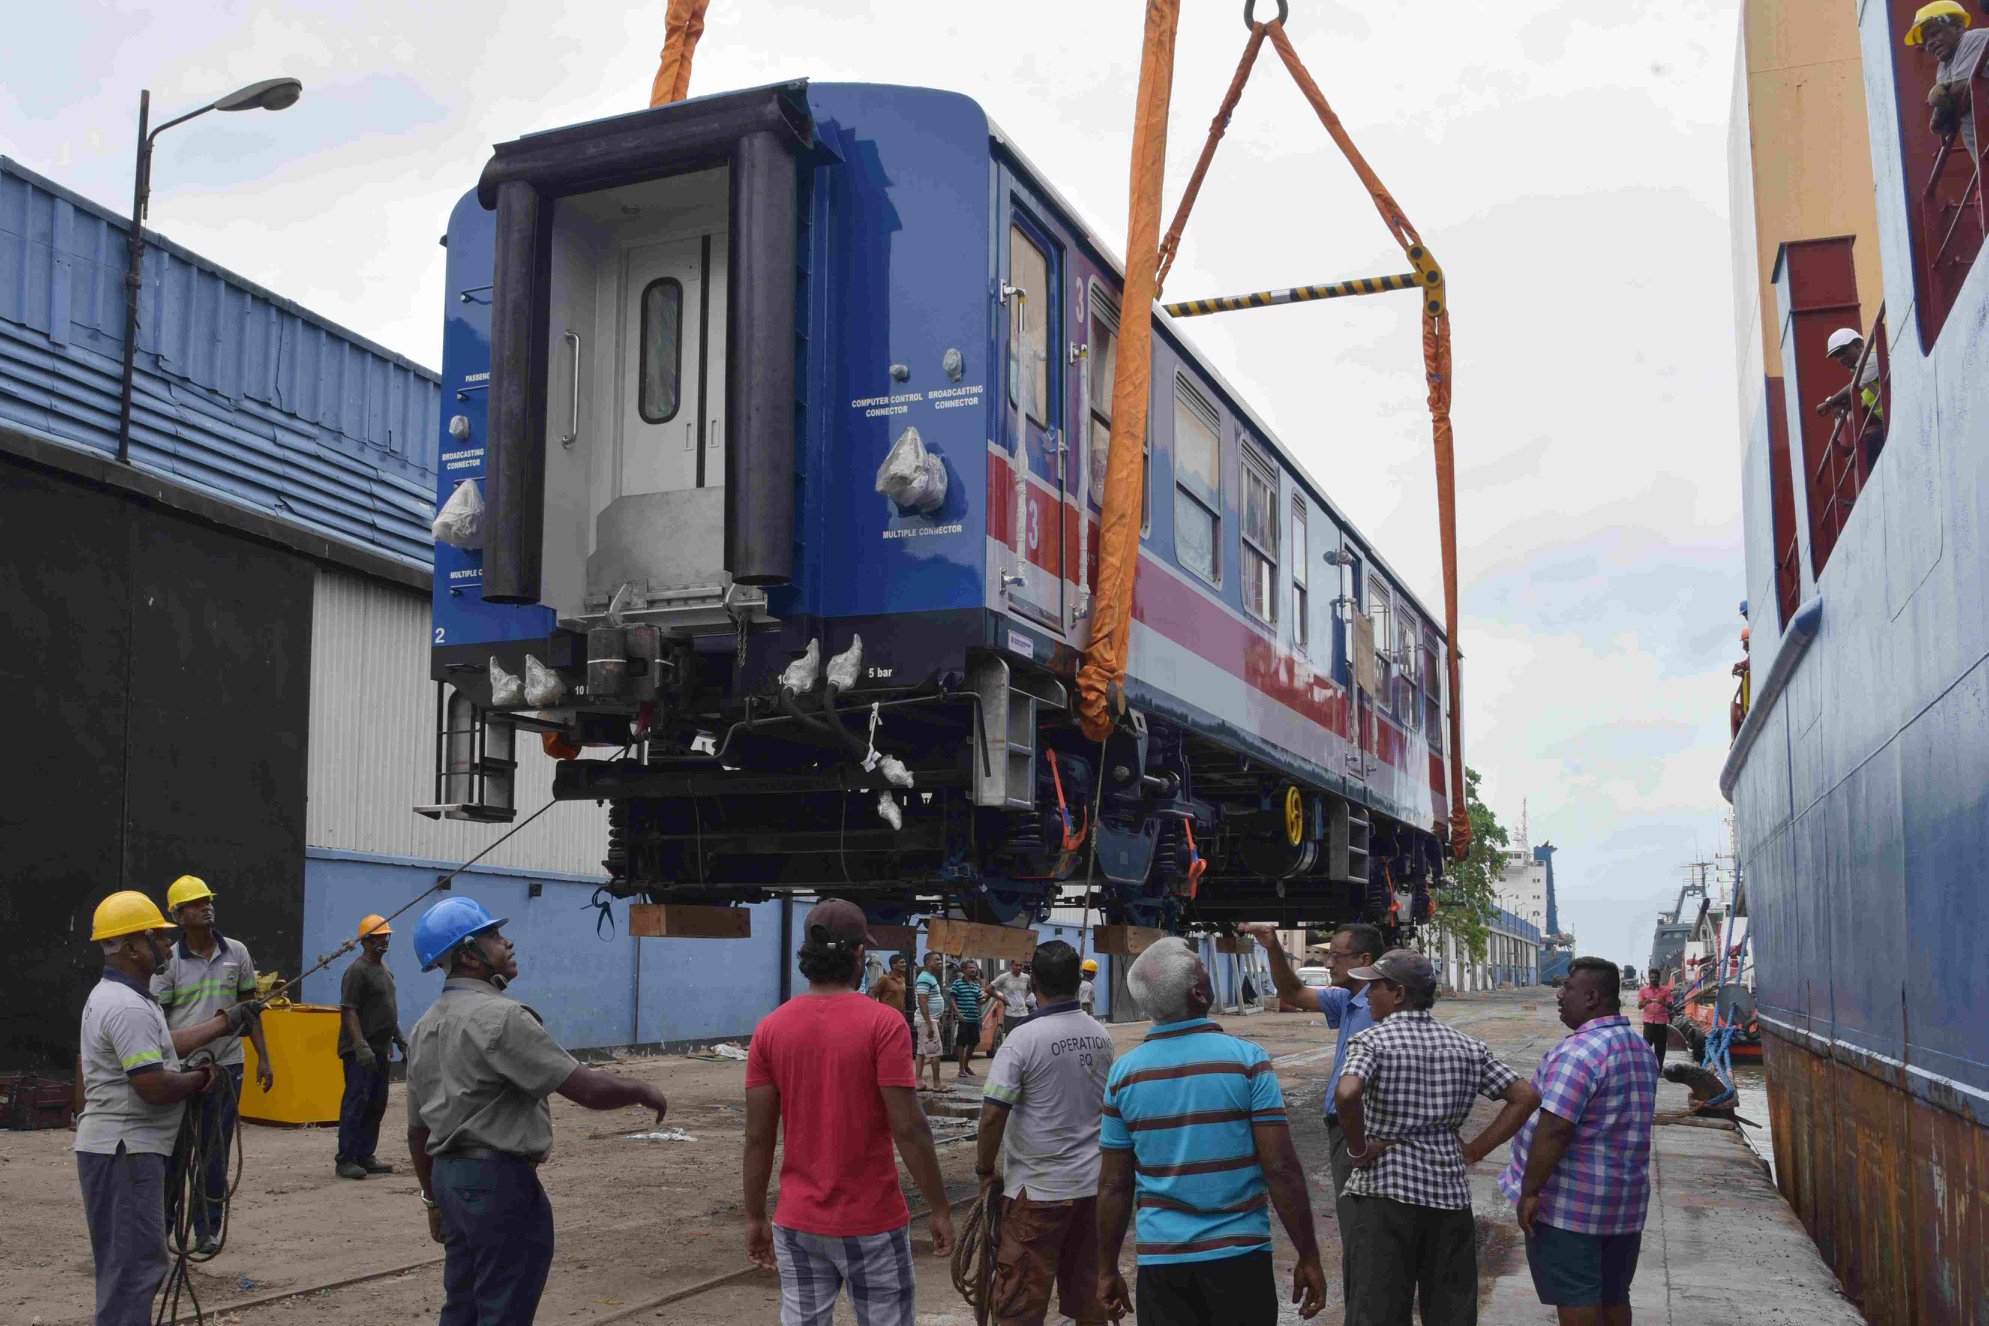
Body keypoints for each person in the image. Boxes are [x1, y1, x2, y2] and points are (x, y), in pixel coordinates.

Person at [405, 897, 670, 1326]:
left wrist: (433, 1200)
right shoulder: (503, 1018)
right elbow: (586, 1089)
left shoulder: (424, 1027)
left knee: (463, 1306)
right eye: (493, 936)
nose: (507, 942)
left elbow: (417, 1133)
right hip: (499, 1185)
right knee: (504, 1309)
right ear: (469, 956)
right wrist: (642, 1090)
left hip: (448, 1181)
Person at [744, 899, 955, 1325]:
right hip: (872, 1221)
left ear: (807, 953)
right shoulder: (884, 1024)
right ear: (860, 954)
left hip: (797, 1223)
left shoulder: (770, 1028)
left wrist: (754, 1216)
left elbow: (758, 1137)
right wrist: (939, 1207)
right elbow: (909, 1128)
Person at [1096, 937, 1326, 1324]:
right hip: (1240, 1257)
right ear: (1199, 994)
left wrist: (1106, 1269)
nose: (1206, 967)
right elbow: (1281, 1169)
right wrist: (1308, 1255)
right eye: (1201, 966)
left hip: (1161, 1262)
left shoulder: (1124, 1075)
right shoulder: (1247, 1061)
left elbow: (1114, 1185)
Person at [77, 891, 261, 1326]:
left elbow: (163, 1046)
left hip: (121, 1149)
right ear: (131, 947)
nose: (166, 943)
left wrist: (224, 1021)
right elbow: (154, 1086)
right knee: (134, 1269)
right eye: (157, 937)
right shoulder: (128, 1006)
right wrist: (200, 1078)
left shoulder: (125, 998)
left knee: (131, 1265)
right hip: (126, 1151)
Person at [1335, 949, 1542, 1326]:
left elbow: (1347, 1093)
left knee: (1376, 1311)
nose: (1367, 995)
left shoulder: (1371, 1041)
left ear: (1398, 993)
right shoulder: (1467, 1046)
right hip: (1449, 1197)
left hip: (1385, 1195)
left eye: (1375, 987)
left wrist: (1359, 1149)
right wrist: (1476, 1150)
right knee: (1451, 1313)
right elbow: (1525, 1096)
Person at [1499, 958, 1658, 1325]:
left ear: (1591, 997)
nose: (1559, 995)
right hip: (1624, 1202)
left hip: (1573, 1208)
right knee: (1614, 1294)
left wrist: (1530, 1191)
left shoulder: (1578, 1053)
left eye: (1567, 988)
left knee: (1577, 1296)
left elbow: (1555, 1128)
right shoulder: (1639, 1048)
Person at [975, 941, 1116, 1325]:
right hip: (1092, 1190)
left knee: (1019, 1304)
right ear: (1077, 981)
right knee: (1091, 1299)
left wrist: (984, 1171)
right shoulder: (1101, 1036)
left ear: (1033, 982)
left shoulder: (1022, 1040)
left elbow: (992, 1116)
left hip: (1037, 1194)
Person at [1241, 919, 1381, 1302]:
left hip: (1362, 1131)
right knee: (1356, 1228)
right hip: (1345, 1130)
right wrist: (1272, 947)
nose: (1329, 963)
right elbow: (1292, 992)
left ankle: (1366, 1309)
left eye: (1337, 956)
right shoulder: (1347, 999)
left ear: (1364, 960)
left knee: (1363, 1230)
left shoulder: (1379, 1005)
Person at [151, 874, 272, 1255]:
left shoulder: (237, 952)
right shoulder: (169, 962)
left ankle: (207, 1230)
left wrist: (264, 1058)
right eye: (196, 904)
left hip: (227, 1067)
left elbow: (250, 1010)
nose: (206, 907)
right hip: (183, 1071)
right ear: (178, 916)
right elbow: (157, 1023)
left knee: (214, 1154)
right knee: (174, 1152)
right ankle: (163, 1228)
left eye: (207, 901)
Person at [335, 913, 405, 1180]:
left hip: (381, 1048)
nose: (383, 942)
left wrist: (400, 1040)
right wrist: (359, 1044)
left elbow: (387, 1011)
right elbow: (349, 1010)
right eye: (377, 938)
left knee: (377, 1103)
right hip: (361, 1051)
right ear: (364, 941)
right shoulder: (357, 971)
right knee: (357, 1102)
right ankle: (346, 1159)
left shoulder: (384, 970)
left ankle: (365, 1154)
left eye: (385, 937)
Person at [1909, 2, 1989, 157]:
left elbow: (1964, 91)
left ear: (1958, 27)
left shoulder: (1974, 39)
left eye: (1934, 34)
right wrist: (1942, 100)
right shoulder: (1943, 68)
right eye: (1925, 42)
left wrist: (1939, 96)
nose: (1929, 44)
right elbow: (1942, 124)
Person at [1814, 327, 1886, 461]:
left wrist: (1830, 403)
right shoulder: (1861, 372)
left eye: (1842, 352)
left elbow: (1854, 387)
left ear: (1859, 346)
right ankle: (1856, 452)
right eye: (1837, 356)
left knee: (1867, 453)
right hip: (1888, 418)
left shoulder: (1870, 359)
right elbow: (1857, 395)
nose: (1840, 359)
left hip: (1895, 414)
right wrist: (1839, 405)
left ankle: (1857, 453)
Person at [914, 952, 948, 1092]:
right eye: (937, 960)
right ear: (928, 962)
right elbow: (922, 1002)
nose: (940, 962)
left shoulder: (930, 977)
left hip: (930, 1020)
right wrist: (929, 1024)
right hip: (926, 1021)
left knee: (921, 1052)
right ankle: (937, 1083)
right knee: (935, 1052)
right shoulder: (924, 978)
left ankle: (918, 1082)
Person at [949, 960, 988, 1078]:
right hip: (963, 1019)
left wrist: (989, 995)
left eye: (974, 968)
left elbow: (980, 1001)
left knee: (973, 1043)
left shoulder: (976, 985)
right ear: (964, 970)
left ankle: (966, 1065)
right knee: (961, 1043)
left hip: (974, 1019)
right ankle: (961, 1069)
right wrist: (958, 1014)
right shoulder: (957, 983)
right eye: (970, 968)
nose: (973, 970)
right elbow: (952, 1000)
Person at [989, 959, 1032, 1046]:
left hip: (1024, 1013)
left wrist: (1024, 998)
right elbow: (989, 988)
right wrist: (1002, 998)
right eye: (1016, 965)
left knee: (1024, 1038)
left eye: (1020, 965)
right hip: (1010, 1014)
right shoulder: (1004, 977)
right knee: (1011, 1039)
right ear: (1011, 965)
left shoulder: (1026, 977)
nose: (1019, 967)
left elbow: (1030, 988)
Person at [1636, 970, 1674, 1067]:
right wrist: (1645, 1002)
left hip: (1661, 1023)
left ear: (1659, 978)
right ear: (1649, 978)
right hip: (1648, 1023)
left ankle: (1659, 1069)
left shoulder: (1666, 990)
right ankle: (1646, 1067)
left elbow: (1670, 1006)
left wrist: (1663, 1003)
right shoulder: (1643, 990)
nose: (1654, 979)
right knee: (1646, 1047)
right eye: (1652, 977)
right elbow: (1639, 1006)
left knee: (1660, 1049)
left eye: (1656, 977)